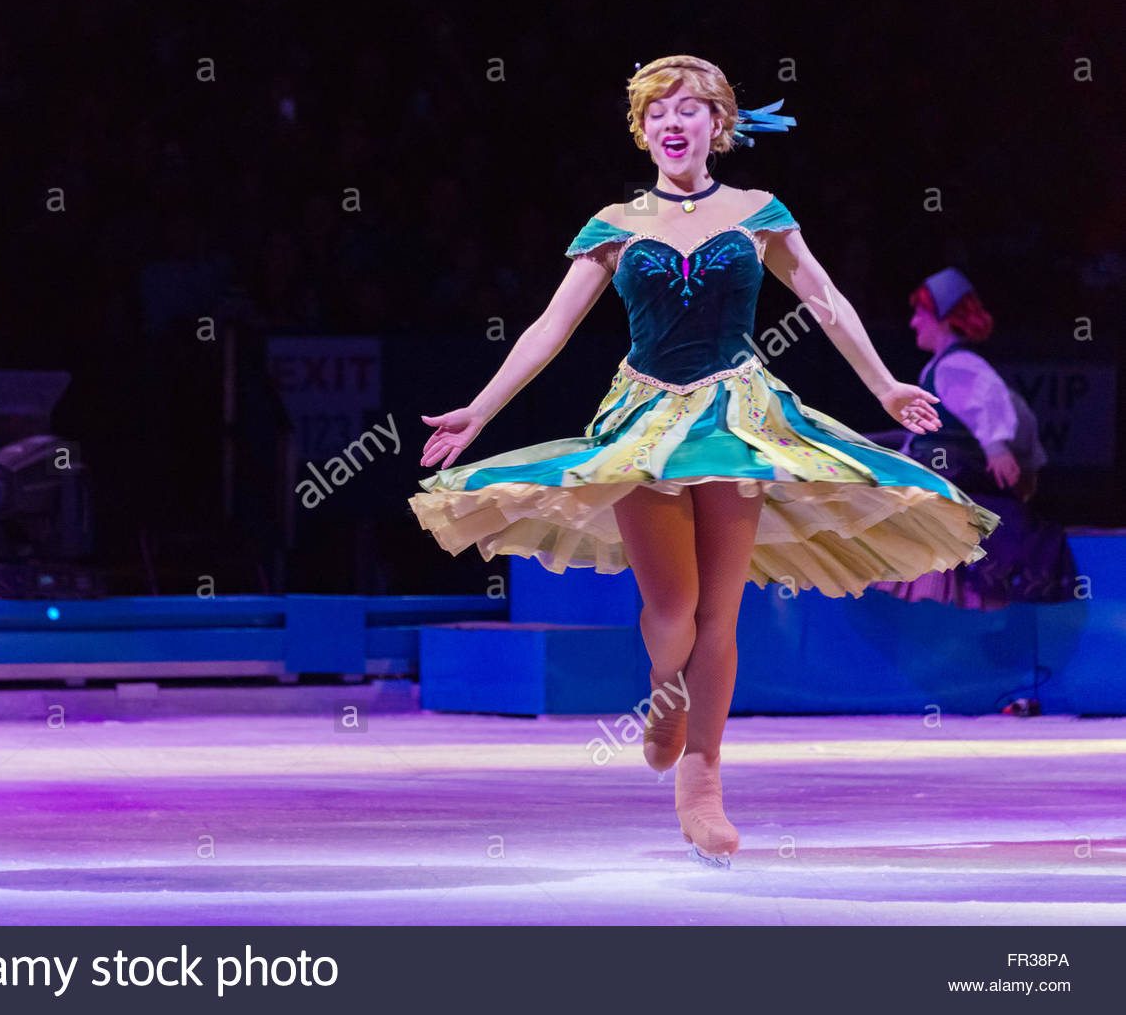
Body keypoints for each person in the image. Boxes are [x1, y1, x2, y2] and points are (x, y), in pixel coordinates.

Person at [407, 55, 1000, 868]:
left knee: (719, 610)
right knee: (676, 605)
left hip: (737, 416)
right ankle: (664, 690)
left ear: (718, 127)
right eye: (658, 112)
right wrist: (481, 408)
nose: (672, 123)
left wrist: (887, 385)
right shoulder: (615, 225)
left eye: (688, 110)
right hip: (646, 421)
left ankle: (703, 782)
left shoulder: (759, 212)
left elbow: (826, 300)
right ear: (643, 129)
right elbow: (549, 329)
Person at [865, 268, 1078, 609]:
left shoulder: (959, 364)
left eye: (921, 314)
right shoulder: (939, 366)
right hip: (935, 465)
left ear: (944, 320)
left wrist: (996, 447)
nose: (913, 323)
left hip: (950, 473)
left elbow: (987, 403)